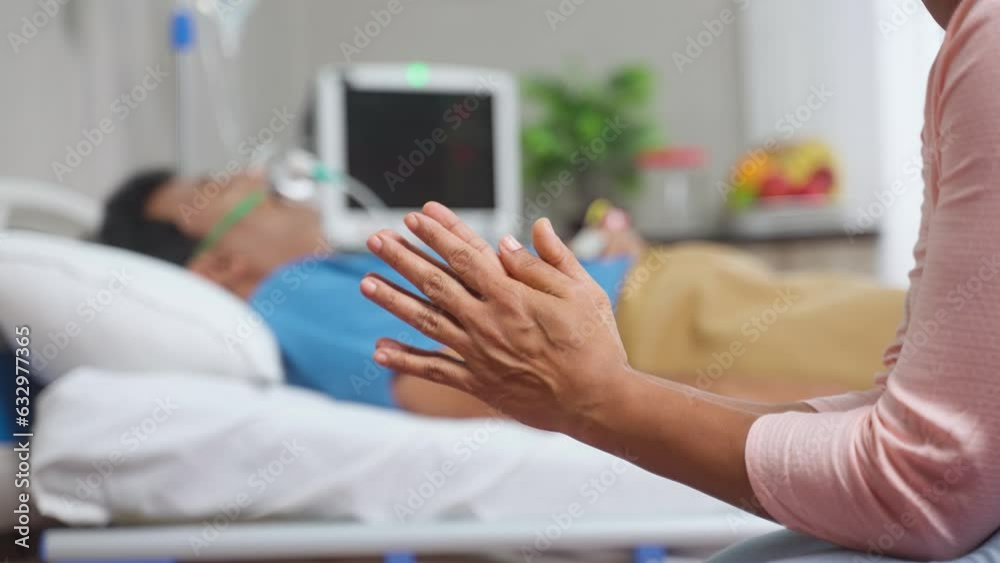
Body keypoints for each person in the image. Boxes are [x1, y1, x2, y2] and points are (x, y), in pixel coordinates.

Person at [359, 0, 1000, 559]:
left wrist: (597, 396)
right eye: (264, 184)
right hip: (669, 307)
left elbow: (925, 477)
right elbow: (421, 387)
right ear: (248, 266)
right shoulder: (300, 294)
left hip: (673, 296)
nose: (278, 184)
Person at [96, 168, 634, 418]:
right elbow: (453, 387)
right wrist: (665, 394)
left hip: (639, 292)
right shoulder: (292, 297)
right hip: (639, 319)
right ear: (216, 265)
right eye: (211, 187)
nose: (255, 175)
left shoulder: (321, 272)